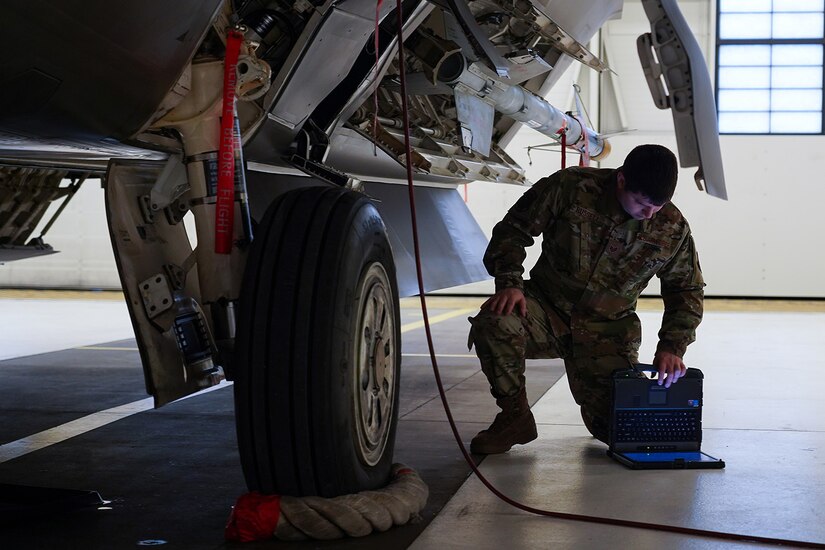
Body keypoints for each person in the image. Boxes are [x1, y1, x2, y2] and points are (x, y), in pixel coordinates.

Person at [468, 144, 704, 455]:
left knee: (621, 432)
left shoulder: (672, 227)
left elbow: (685, 290)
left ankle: (603, 413)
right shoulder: (572, 187)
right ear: (621, 181)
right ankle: (515, 417)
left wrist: (672, 347)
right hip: (544, 311)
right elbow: (514, 229)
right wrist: (509, 283)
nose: (648, 215)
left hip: (608, 332)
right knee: (495, 322)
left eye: (657, 207)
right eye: (641, 203)